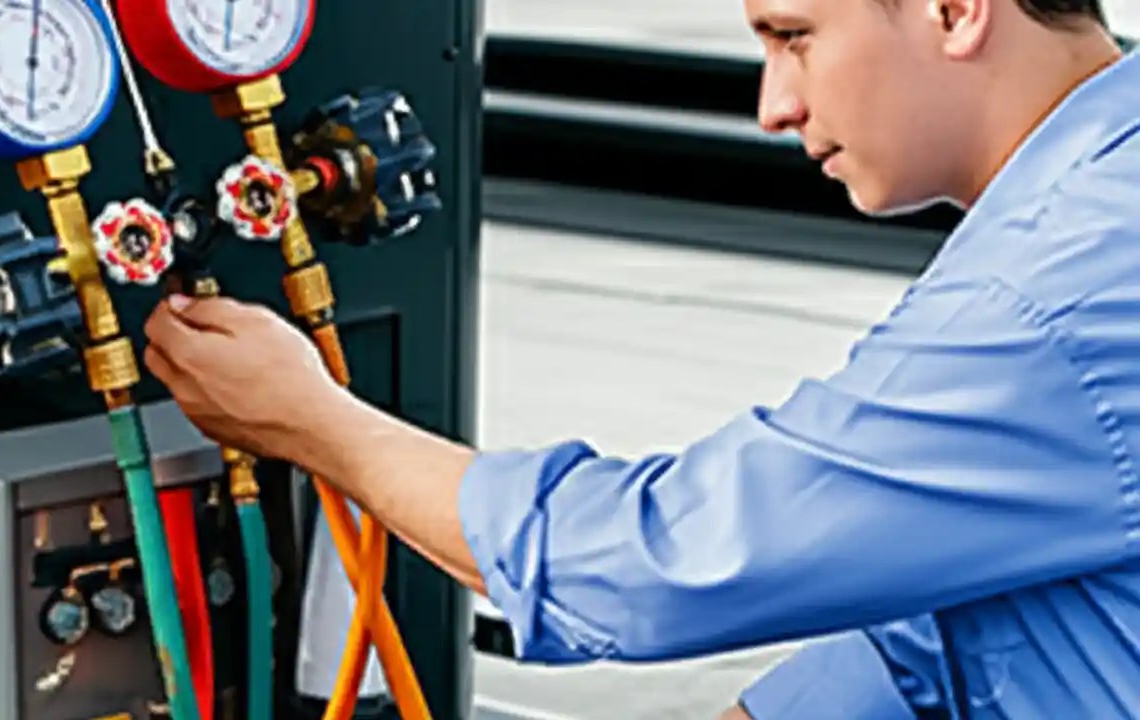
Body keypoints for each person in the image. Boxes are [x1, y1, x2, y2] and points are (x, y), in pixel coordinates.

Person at [142, 0, 1140, 716]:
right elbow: (977, 587)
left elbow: (655, 561)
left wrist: (315, 426)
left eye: (793, 37)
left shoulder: (1050, 296)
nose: (772, 108)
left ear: (954, 10)